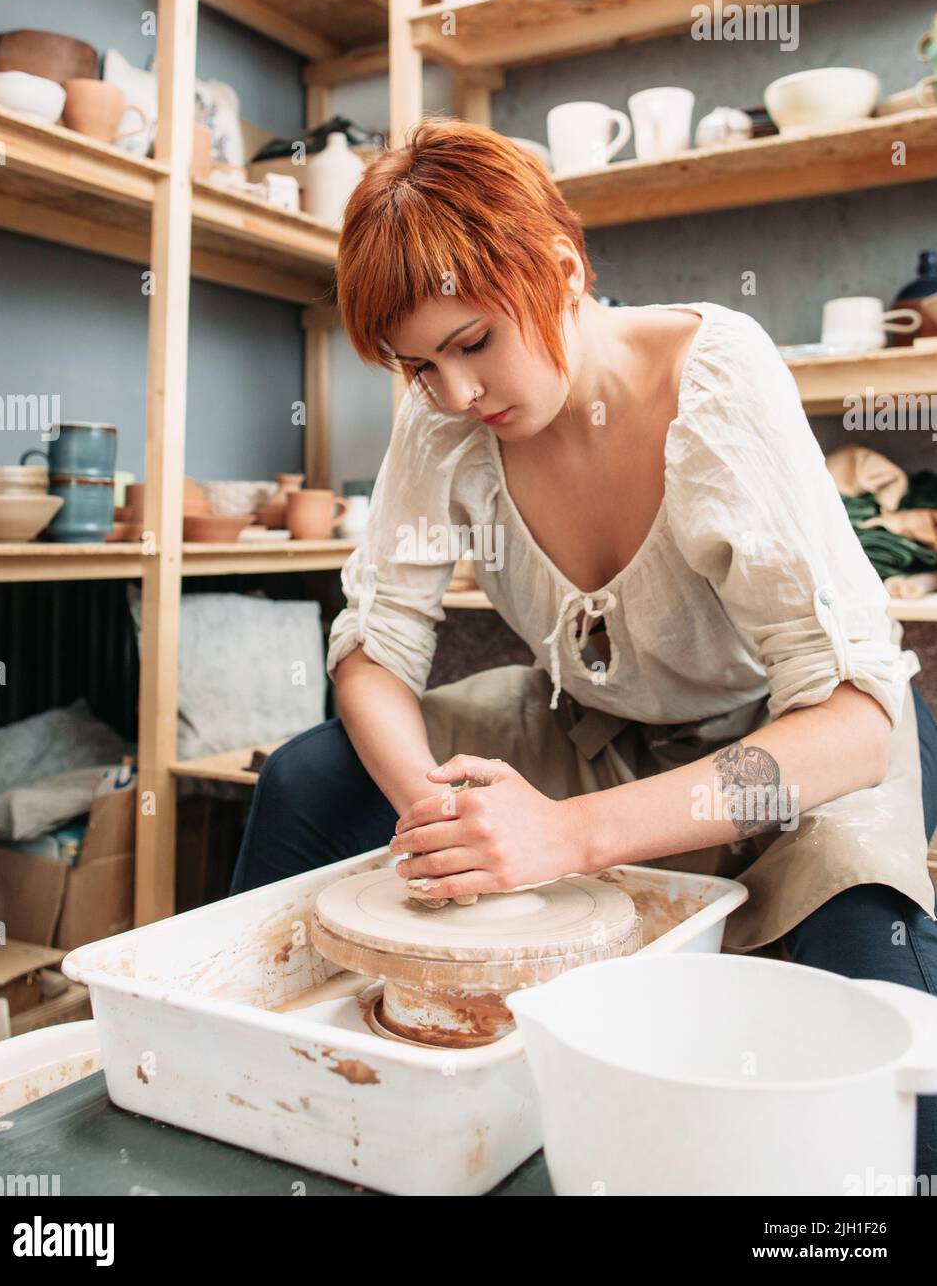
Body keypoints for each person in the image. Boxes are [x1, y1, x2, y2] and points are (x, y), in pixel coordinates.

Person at [230, 117, 937, 1182]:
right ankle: (242, 1095)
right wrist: (438, 817)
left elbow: (848, 724)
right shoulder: (442, 423)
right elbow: (375, 651)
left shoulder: (715, 381)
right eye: (419, 365)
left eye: (473, 343)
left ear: (559, 268)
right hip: (581, 723)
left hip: (780, 751)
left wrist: (564, 838)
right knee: (306, 779)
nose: (458, 392)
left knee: (876, 1013)